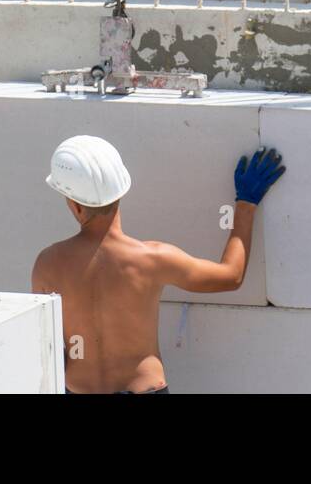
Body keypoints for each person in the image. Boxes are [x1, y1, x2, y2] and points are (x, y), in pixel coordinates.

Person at [31, 135, 285, 394]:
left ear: (74, 205)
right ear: (122, 189)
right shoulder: (153, 259)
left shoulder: (47, 264)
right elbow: (231, 276)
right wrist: (246, 203)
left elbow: (46, 348)